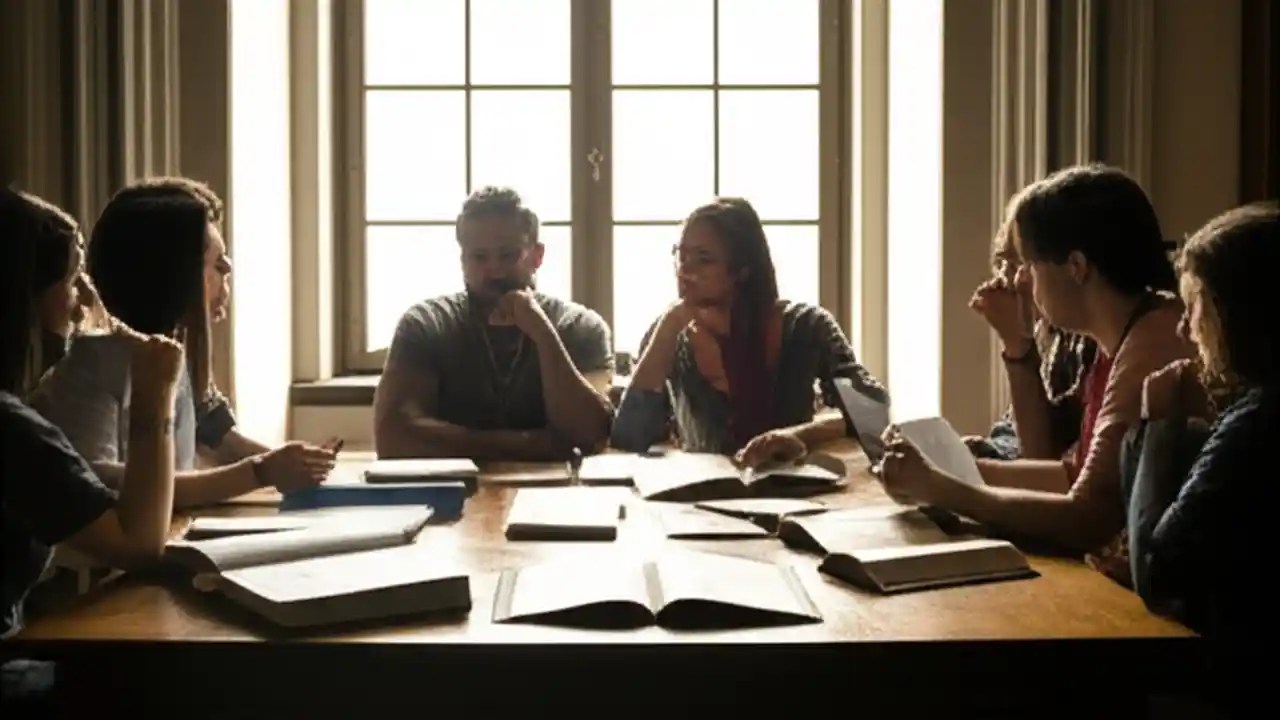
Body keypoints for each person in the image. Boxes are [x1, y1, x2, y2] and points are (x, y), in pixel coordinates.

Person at [877, 164, 1194, 585]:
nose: (1021, 278)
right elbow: (1068, 471)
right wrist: (948, 467)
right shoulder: (1118, 337)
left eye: (1029, 262)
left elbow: (1089, 516)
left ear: (1077, 266)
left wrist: (944, 489)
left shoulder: (1154, 339)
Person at [31, 178, 336, 508]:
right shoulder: (95, 363)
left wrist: (298, 466)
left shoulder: (179, 357)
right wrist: (259, 472)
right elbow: (100, 481)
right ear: (173, 275)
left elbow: (218, 437)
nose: (228, 269)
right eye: (216, 262)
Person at [2, 186, 179, 704]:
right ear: (20, 296)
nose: (82, 299)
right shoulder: (10, 430)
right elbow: (139, 543)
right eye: (70, 280)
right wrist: (154, 395)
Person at [1124, 201, 1278, 710]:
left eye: (1194, 309)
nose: (1184, 330)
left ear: (1233, 314)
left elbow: (1156, 574)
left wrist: (1159, 425)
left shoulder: (1255, 422)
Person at [611, 197, 887, 468]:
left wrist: (800, 435)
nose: (685, 270)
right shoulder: (668, 333)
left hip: (792, 488)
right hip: (703, 493)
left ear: (743, 269)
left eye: (703, 259)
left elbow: (872, 412)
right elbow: (629, 437)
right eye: (681, 256)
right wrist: (670, 324)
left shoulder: (806, 326)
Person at [374, 186, 614, 460]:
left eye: (508, 255)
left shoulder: (580, 327)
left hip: (556, 487)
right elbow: (393, 438)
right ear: (463, 260)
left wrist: (543, 334)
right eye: (480, 257)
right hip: (453, 485)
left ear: (537, 256)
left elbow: (591, 436)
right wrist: (537, 445)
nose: (495, 270)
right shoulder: (425, 324)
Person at [965, 216, 1097, 461]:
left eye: (1020, 264)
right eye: (1002, 264)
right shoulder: (1047, 333)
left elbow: (1042, 452)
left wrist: (1016, 342)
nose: (1006, 280)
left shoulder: (1091, 341)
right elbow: (1014, 435)